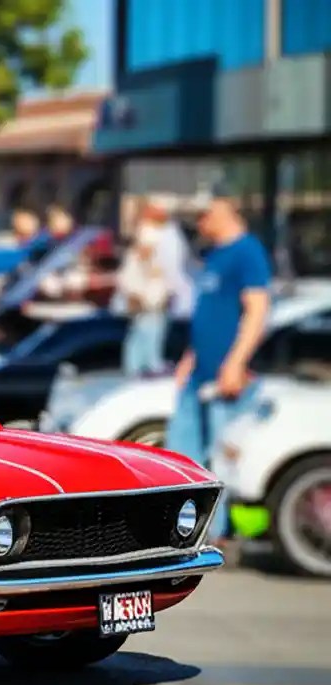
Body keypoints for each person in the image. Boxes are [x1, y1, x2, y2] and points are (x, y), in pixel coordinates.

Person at [166, 198, 271, 542]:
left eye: (204, 214)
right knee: (183, 456)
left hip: (228, 377)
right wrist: (190, 358)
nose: (200, 222)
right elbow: (208, 314)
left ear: (227, 211)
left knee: (221, 460)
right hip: (199, 375)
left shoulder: (247, 252)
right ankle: (185, 531)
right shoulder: (213, 255)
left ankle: (217, 534)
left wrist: (237, 363)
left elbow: (256, 311)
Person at [117, 219, 169, 376]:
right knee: (142, 335)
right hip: (143, 307)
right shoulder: (133, 259)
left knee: (155, 334)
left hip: (155, 307)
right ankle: (137, 367)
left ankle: (151, 363)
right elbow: (127, 282)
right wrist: (139, 297)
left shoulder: (153, 260)